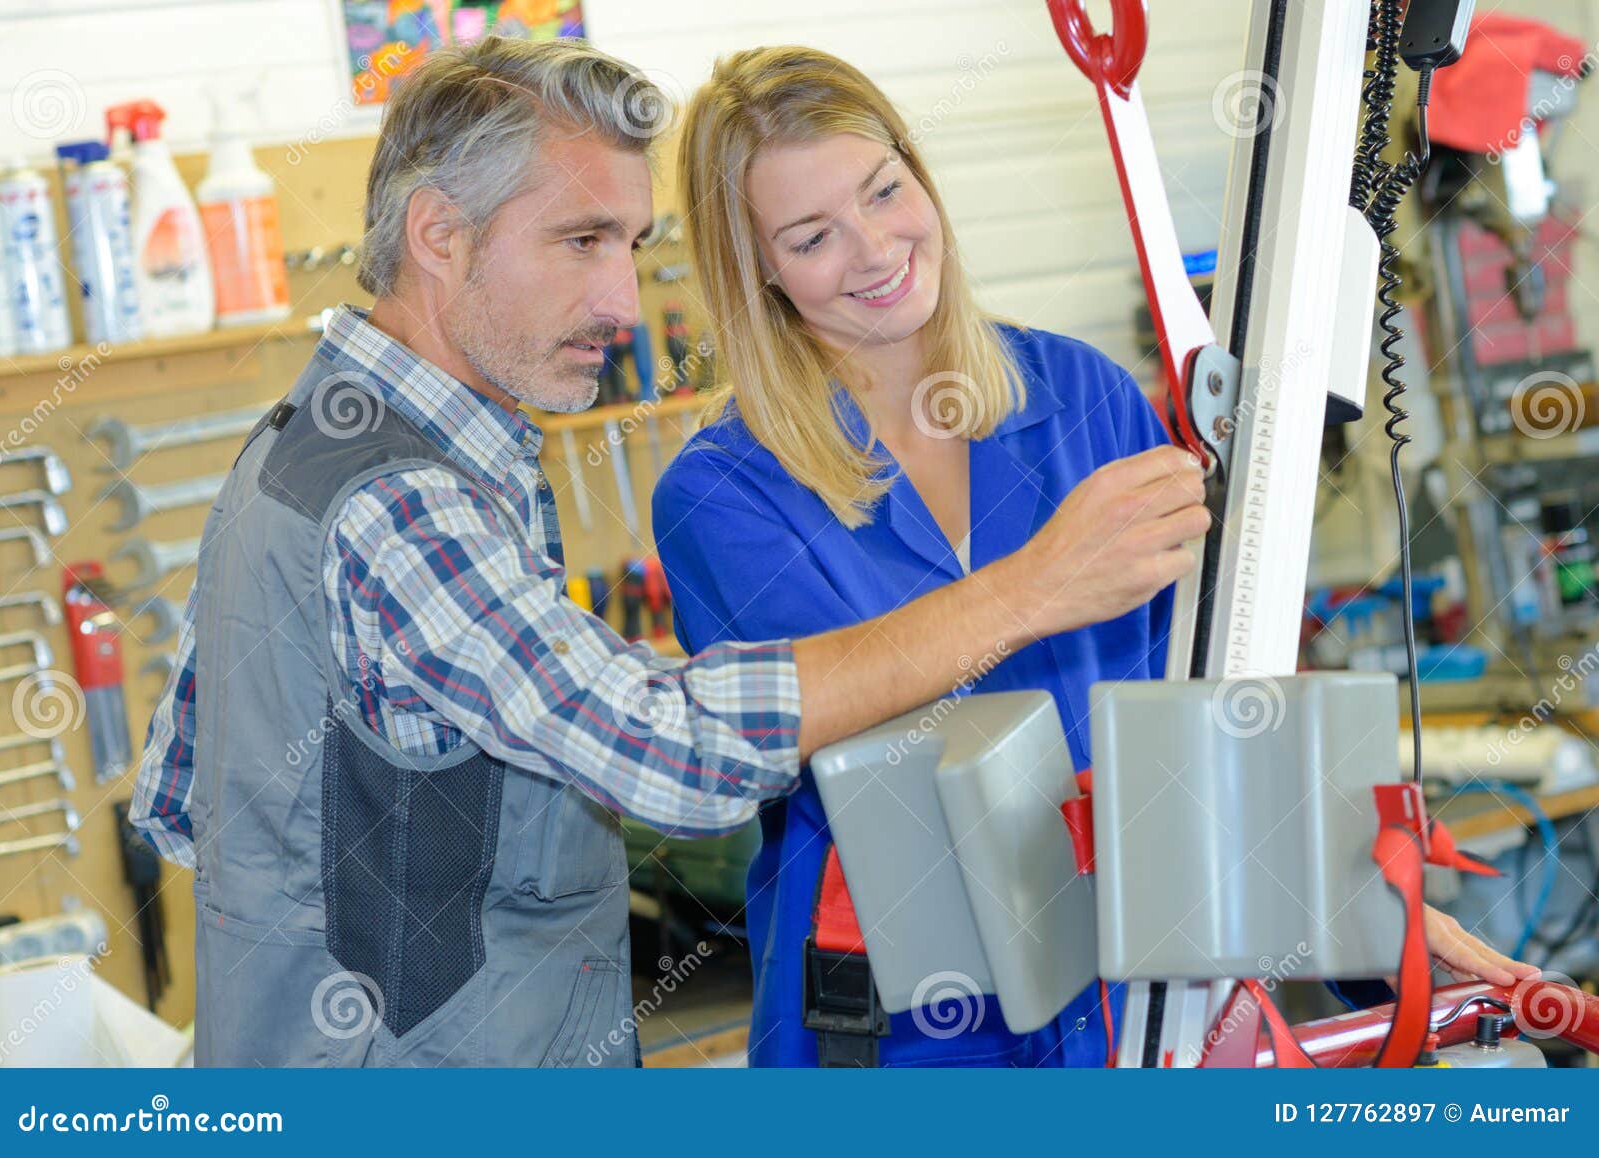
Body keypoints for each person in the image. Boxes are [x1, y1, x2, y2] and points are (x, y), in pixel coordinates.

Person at [127, 37, 1209, 1068]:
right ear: (440, 236)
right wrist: (1031, 590)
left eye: (631, 247)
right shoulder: (402, 500)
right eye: (581, 241)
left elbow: (186, 802)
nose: (620, 302)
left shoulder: (324, 450)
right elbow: (666, 750)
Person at [652, 46, 1536, 1068]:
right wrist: (1042, 584)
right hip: (898, 1026)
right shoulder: (723, 494)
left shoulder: (1078, 395)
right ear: (755, 268)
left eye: (884, 191)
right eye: (812, 237)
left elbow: (1198, 716)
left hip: (1125, 1000)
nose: (875, 248)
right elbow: (827, 721)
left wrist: (1364, 914)